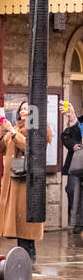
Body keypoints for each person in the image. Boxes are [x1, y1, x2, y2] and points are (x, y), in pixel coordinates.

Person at [0, 99, 52, 261]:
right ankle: (22, 252)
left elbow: (31, 148)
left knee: (26, 218)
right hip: (14, 177)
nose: (22, 112)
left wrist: (12, 131)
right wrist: (0, 134)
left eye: (26, 109)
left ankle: (29, 254)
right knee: (17, 217)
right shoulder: (17, 128)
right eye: (21, 109)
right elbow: (1, 149)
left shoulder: (40, 128)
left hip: (28, 179)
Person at [63, 102, 83, 238]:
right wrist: (74, 145)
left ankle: (79, 222)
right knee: (71, 190)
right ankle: (77, 220)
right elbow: (65, 136)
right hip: (76, 164)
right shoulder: (78, 122)